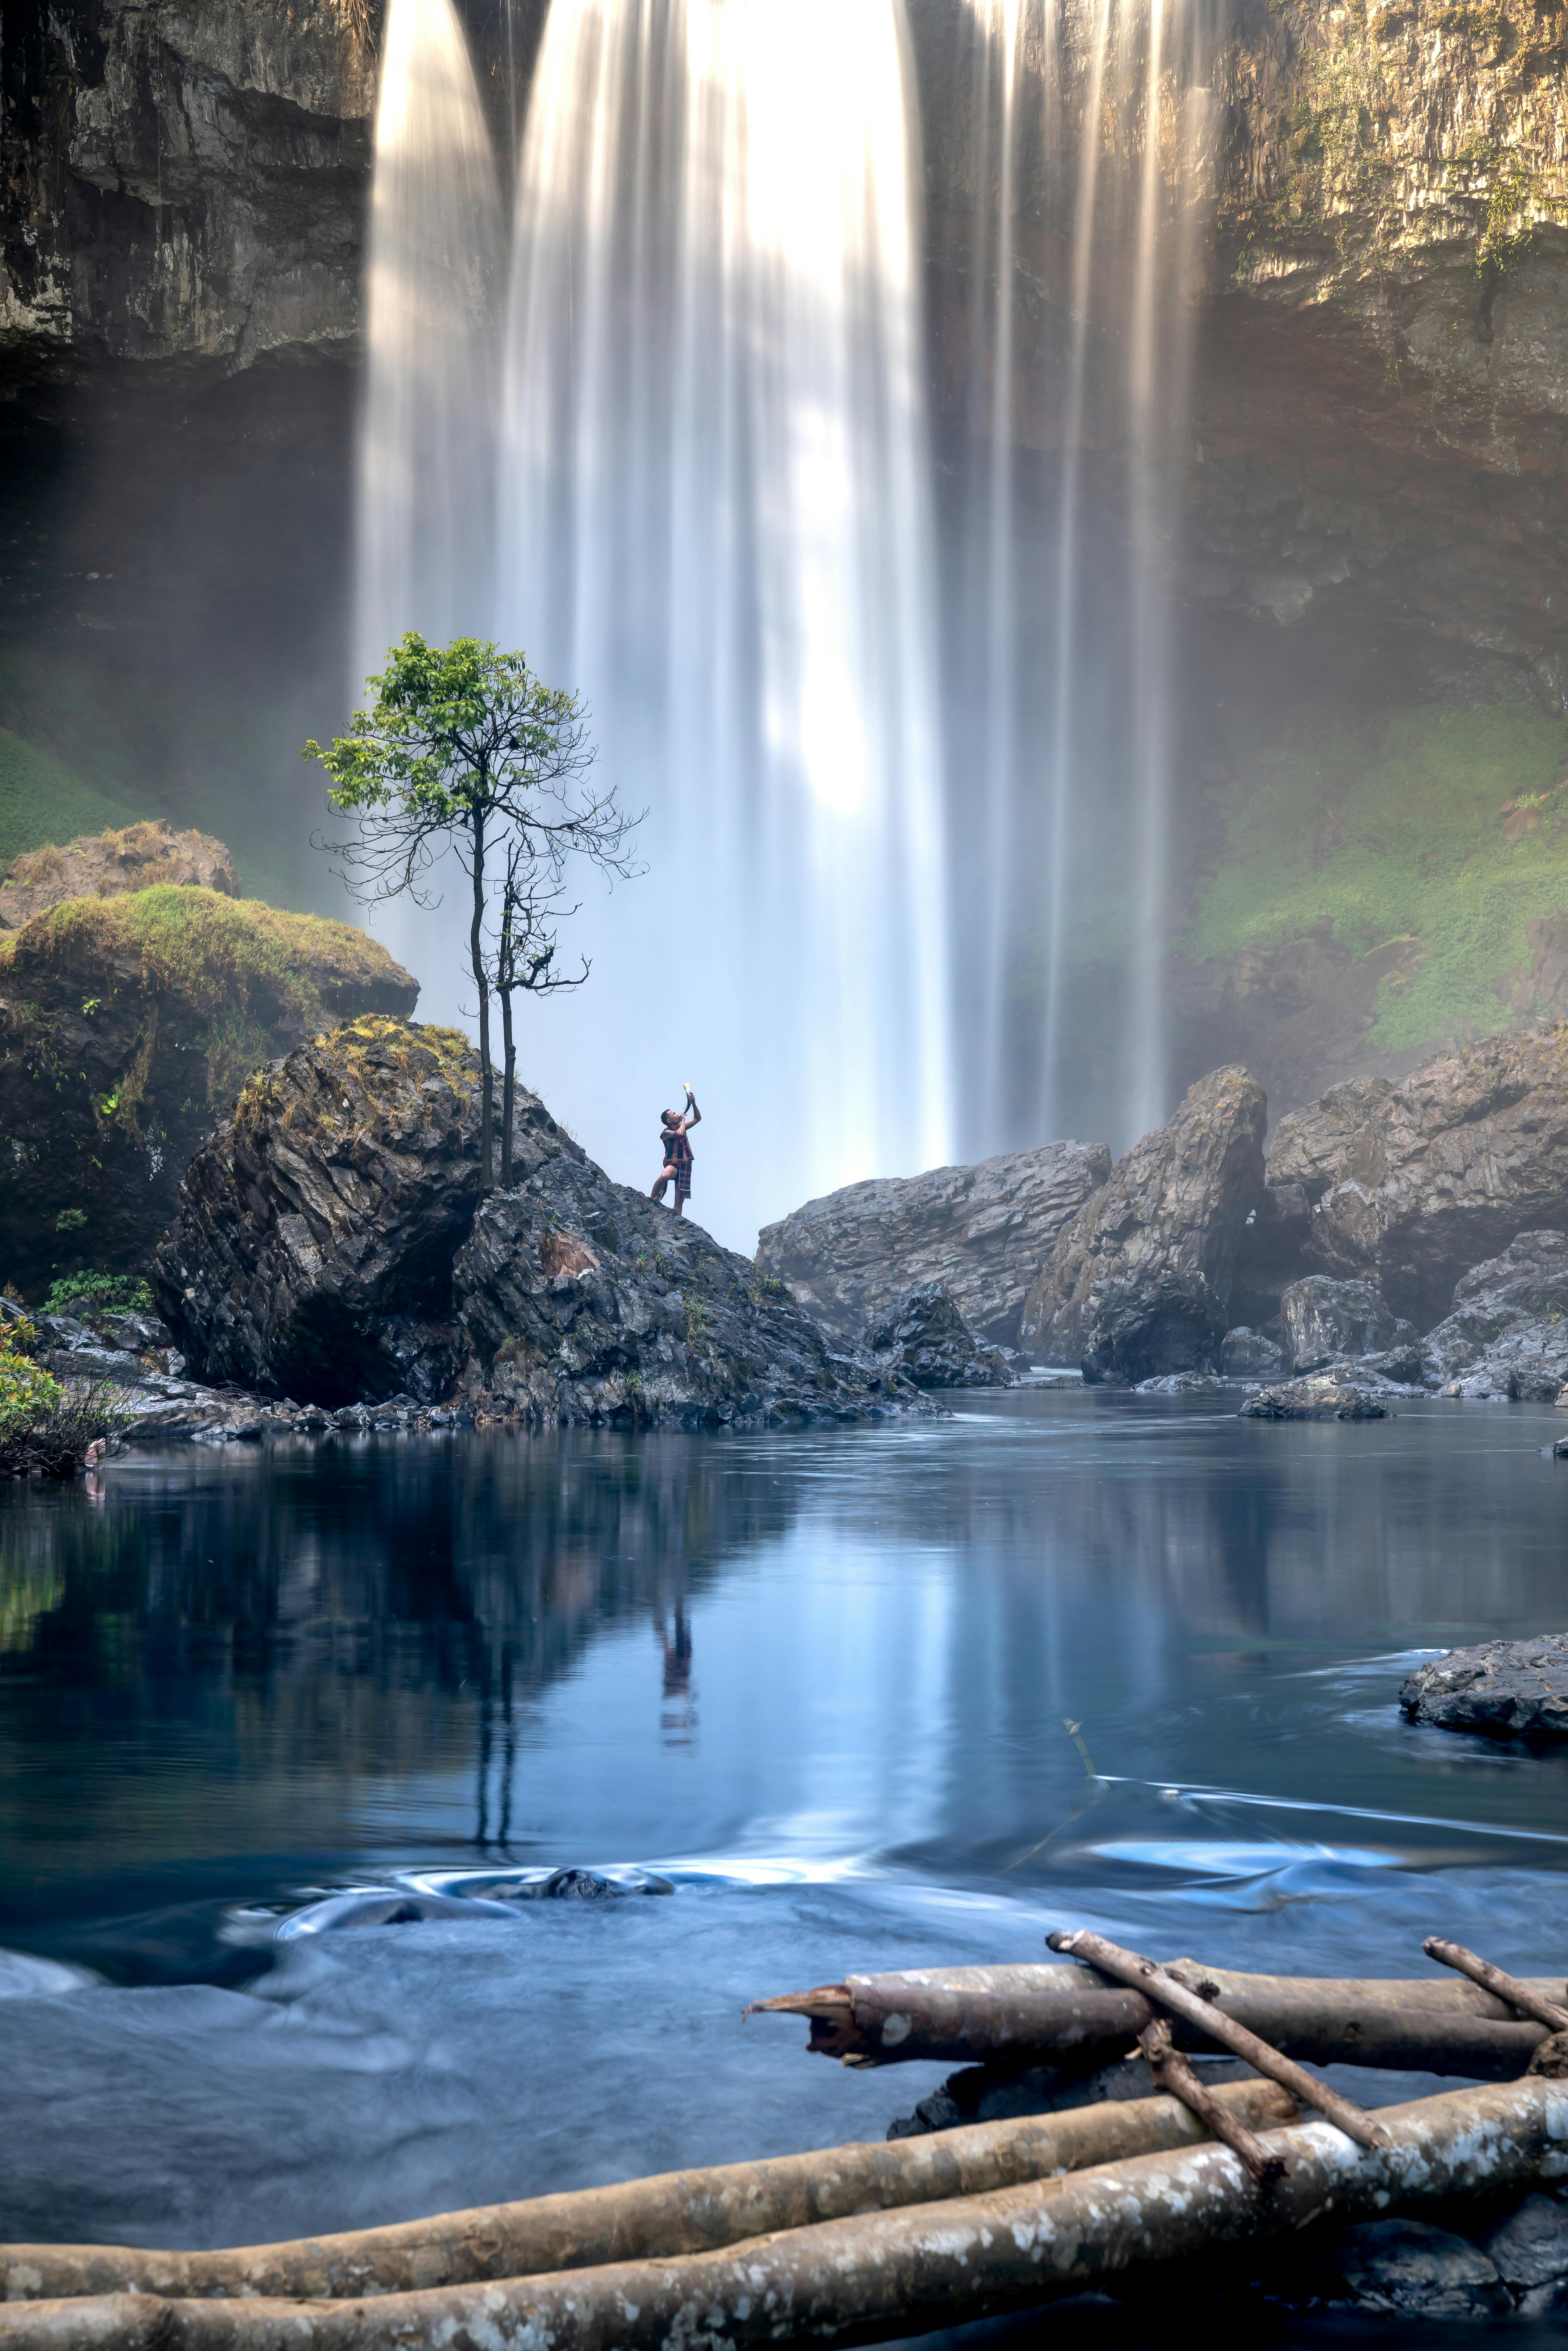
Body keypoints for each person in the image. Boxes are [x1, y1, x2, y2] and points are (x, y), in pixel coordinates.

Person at [651, 1084, 701, 1215]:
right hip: (673, 1164)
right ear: (669, 1120)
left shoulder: (681, 1127)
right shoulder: (666, 1132)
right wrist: (683, 1120)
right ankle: (651, 1201)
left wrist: (693, 1104)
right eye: (674, 1114)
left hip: (685, 1165)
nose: (677, 1114)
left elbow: (697, 1119)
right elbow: (679, 1134)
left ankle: (677, 1221)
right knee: (665, 1175)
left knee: (680, 1199)